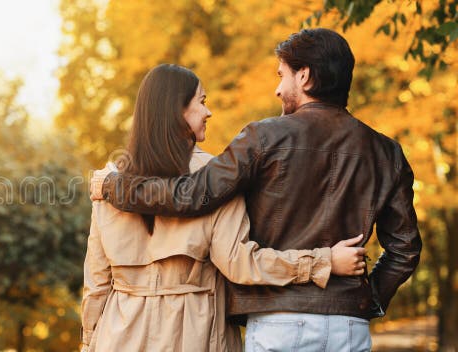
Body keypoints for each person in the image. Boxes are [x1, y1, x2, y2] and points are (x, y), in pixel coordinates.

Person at [89, 29, 421, 351]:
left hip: (277, 320)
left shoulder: (263, 139)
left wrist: (114, 186)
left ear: (304, 77)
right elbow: (405, 251)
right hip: (349, 325)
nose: (278, 89)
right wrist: (365, 298)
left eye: (282, 76)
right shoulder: (387, 152)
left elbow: (189, 195)